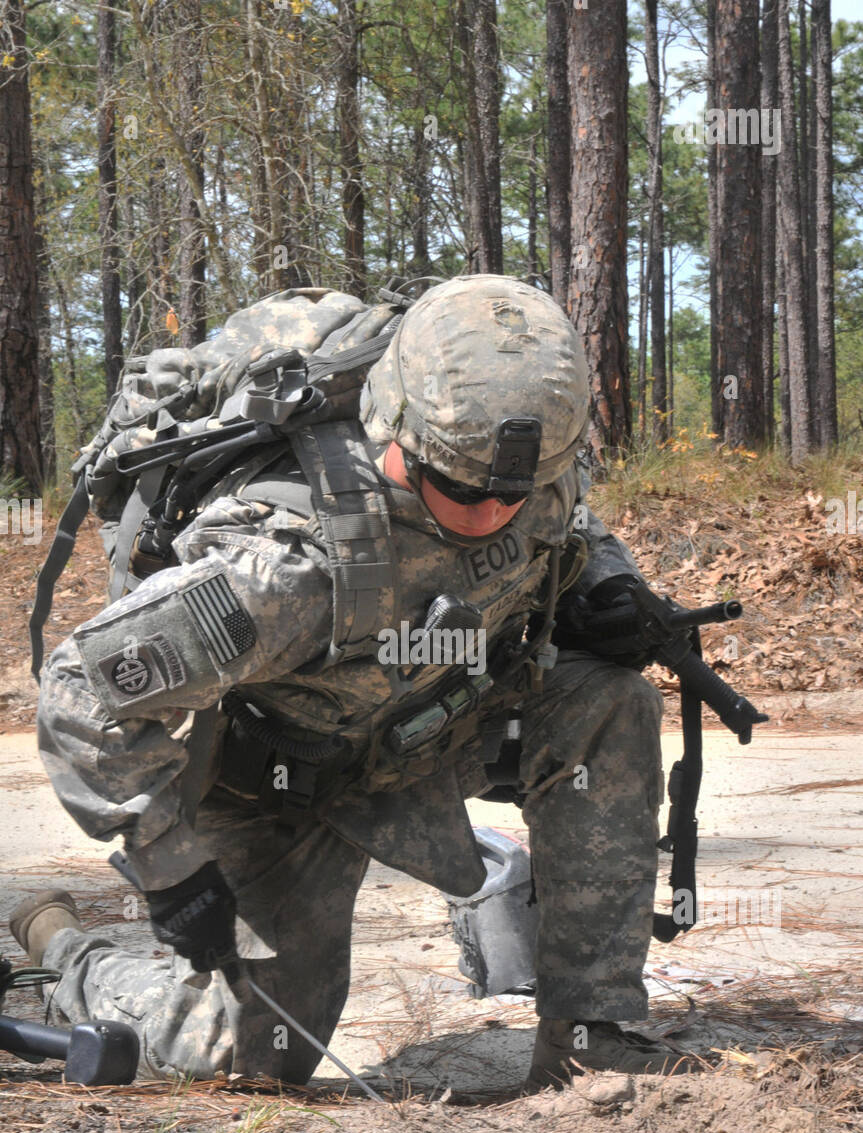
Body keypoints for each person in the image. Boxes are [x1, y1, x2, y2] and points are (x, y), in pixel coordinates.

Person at [8, 275, 698, 1089]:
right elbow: (80, 689)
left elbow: (574, 520)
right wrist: (170, 868)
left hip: (437, 725)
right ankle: (65, 946)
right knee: (237, 1060)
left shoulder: (528, 462)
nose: (485, 514)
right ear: (393, 426)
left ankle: (590, 1027)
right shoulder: (284, 563)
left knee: (609, 703)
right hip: (283, 780)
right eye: (459, 488)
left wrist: (607, 589)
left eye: (509, 495)